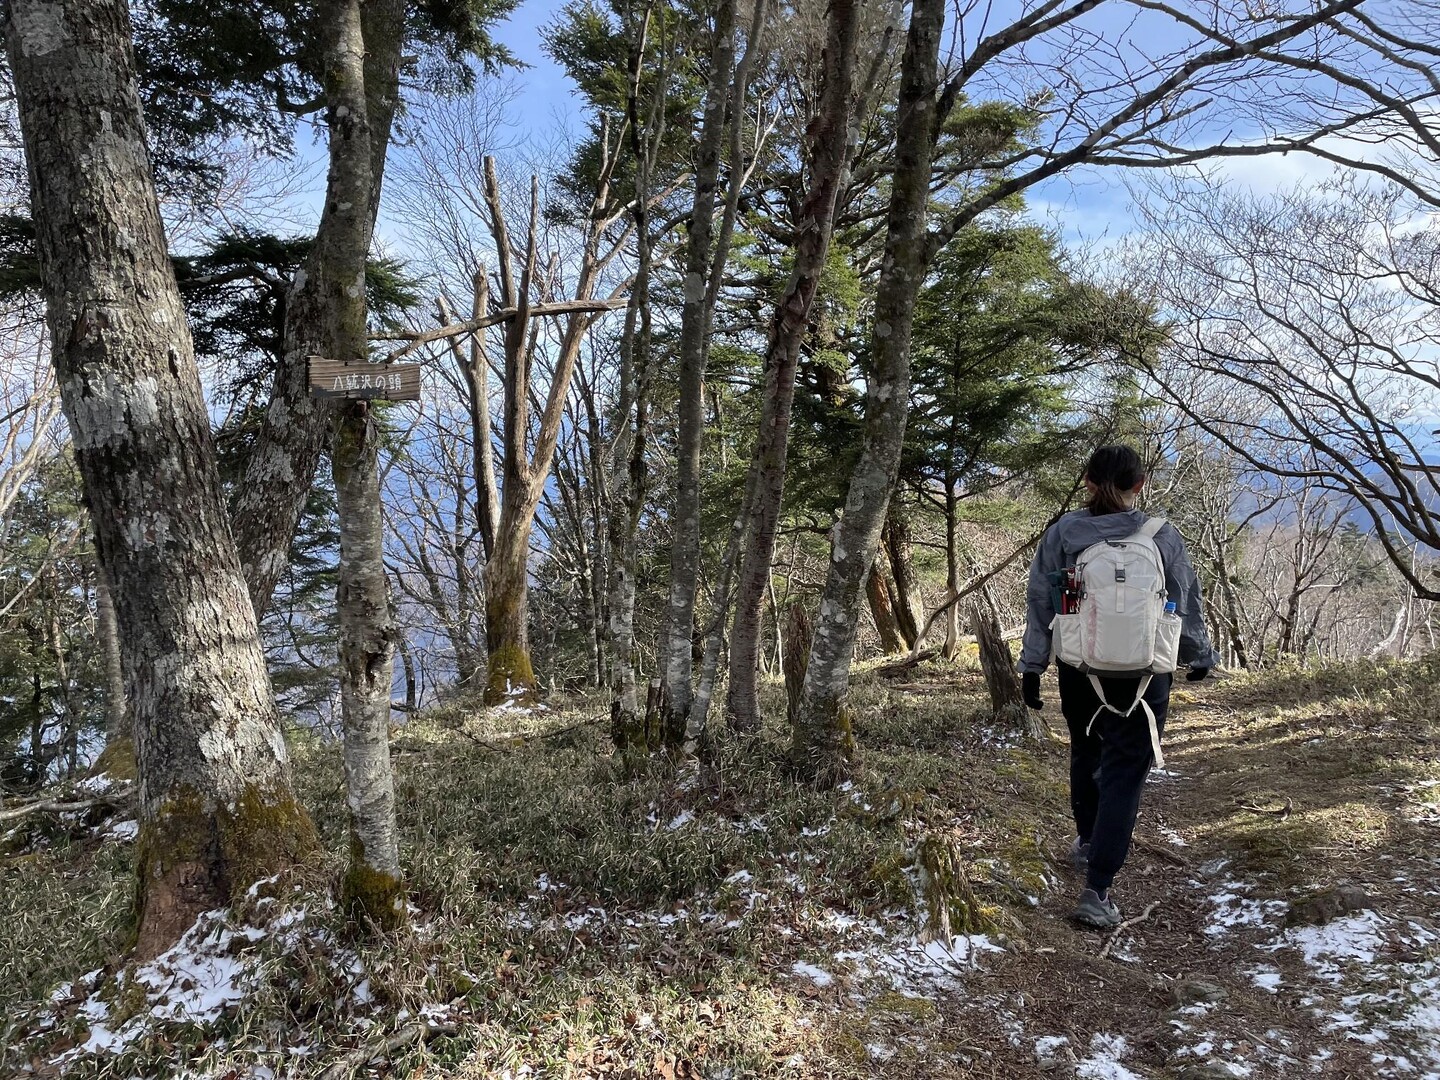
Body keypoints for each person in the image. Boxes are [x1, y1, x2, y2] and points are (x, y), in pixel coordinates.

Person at [1018, 445, 1219, 929]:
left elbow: (1042, 599)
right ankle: (1098, 888)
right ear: (1140, 485)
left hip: (1078, 666)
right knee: (1127, 770)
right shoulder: (1162, 534)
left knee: (1086, 752)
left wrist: (1031, 666)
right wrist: (1198, 655)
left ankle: (1089, 842)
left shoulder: (1065, 532)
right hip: (1146, 673)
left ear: (1087, 480)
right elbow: (1184, 597)